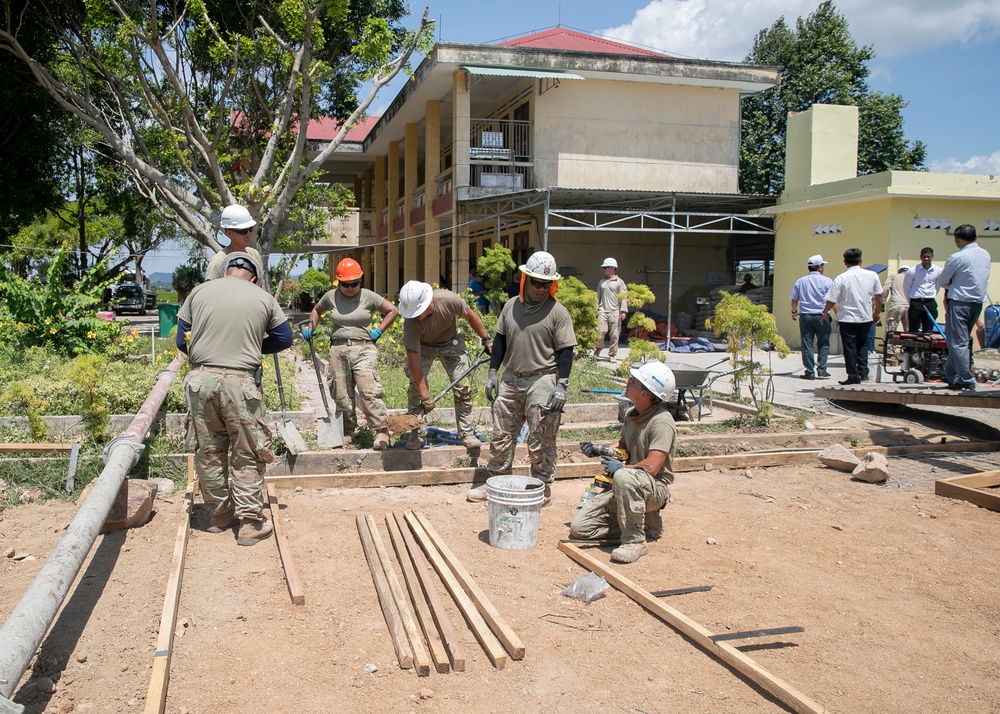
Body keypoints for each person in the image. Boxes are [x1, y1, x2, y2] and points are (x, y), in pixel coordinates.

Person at [177, 252, 293, 546]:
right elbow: (284, 338)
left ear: (226, 272)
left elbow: (181, 340)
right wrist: (253, 344)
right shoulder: (262, 297)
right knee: (248, 454)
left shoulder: (199, 292)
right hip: (240, 385)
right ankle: (251, 523)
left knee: (209, 452)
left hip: (201, 381)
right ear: (253, 277)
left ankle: (219, 517)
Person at [467, 251, 577, 505]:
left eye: (546, 284)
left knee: (541, 435)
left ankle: (542, 486)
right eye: (537, 283)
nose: (541, 289)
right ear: (525, 279)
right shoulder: (510, 306)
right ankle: (495, 481)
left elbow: (565, 352)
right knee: (501, 433)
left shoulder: (557, 312)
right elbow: (500, 343)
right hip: (510, 378)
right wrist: (493, 373)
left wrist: (561, 385)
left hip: (542, 378)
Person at [569, 361, 677, 564]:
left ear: (646, 393)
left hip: (653, 489)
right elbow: (623, 445)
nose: (627, 382)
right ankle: (643, 523)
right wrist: (599, 449)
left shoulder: (661, 422)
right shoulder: (632, 414)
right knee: (580, 527)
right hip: (627, 483)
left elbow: (653, 466)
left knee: (623, 476)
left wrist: (622, 468)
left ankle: (634, 541)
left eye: (634, 381)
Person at [304, 258, 399, 449]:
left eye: (354, 284)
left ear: (360, 281)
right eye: (345, 285)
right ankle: (348, 431)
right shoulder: (331, 296)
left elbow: (392, 311)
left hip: (364, 348)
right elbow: (317, 310)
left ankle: (381, 432)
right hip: (338, 350)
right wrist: (311, 325)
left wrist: (379, 330)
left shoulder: (368, 296)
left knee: (368, 390)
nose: (349, 288)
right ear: (338, 282)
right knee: (341, 394)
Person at [398, 280, 492, 450]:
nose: (417, 316)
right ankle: (416, 434)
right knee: (415, 388)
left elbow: (471, 316)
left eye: (419, 311)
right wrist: (425, 396)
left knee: (462, 387)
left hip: (451, 342)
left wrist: (487, 340)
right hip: (423, 345)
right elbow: (414, 366)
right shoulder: (410, 323)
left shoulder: (449, 300)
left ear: (429, 302)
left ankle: (467, 433)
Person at [937, 224, 992, 391]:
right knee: (960, 341)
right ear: (976, 238)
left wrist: (954, 283)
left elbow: (942, 281)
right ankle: (951, 374)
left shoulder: (957, 257)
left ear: (957, 239)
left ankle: (965, 379)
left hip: (959, 303)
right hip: (976, 303)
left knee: (957, 343)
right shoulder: (985, 255)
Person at [821, 248, 883, 385]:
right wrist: (877, 312)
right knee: (863, 345)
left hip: (847, 319)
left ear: (845, 262)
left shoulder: (841, 278)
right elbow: (879, 296)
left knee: (849, 348)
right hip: (865, 317)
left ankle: (853, 376)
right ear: (861, 261)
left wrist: (824, 313)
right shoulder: (872, 275)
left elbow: (831, 300)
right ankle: (863, 373)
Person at [789, 254, 834, 380]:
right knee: (823, 343)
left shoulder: (800, 281)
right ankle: (822, 369)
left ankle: (809, 371)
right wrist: (838, 316)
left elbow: (794, 300)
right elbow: (833, 301)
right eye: (823, 265)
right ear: (820, 267)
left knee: (807, 343)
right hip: (822, 316)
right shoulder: (827, 281)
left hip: (806, 316)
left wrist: (793, 312)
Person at [205, 205, 264, 281]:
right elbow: (211, 291)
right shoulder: (217, 264)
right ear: (229, 233)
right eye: (243, 231)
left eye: (250, 229)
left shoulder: (254, 256)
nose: (248, 235)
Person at [596, 257, 628, 361]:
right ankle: (598, 349)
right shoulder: (601, 282)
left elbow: (623, 297)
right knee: (601, 331)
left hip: (615, 311)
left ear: (611, 268)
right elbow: (598, 296)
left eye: (604, 268)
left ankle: (612, 354)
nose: (603, 270)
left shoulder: (619, 282)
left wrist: (623, 311)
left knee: (615, 334)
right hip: (603, 310)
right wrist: (595, 309)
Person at [904, 247, 941, 333]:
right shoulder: (912, 271)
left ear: (932, 257)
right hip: (916, 303)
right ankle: (912, 347)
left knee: (928, 331)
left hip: (930, 302)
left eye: (928, 257)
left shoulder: (938, 270)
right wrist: (911, 301)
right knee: (913, 330)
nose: (926, 259)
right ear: (920, 257)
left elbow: (938, 286)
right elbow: (907, 287)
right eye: (924, 257)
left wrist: (931, 295)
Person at [883, 266, 910, 333]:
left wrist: (883, 302)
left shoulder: (893, 277)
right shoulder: (911, 278)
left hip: (896, 305)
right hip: (909, 307)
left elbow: (885, 289)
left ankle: (889, 343)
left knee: (891, 330)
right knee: (909, 331)